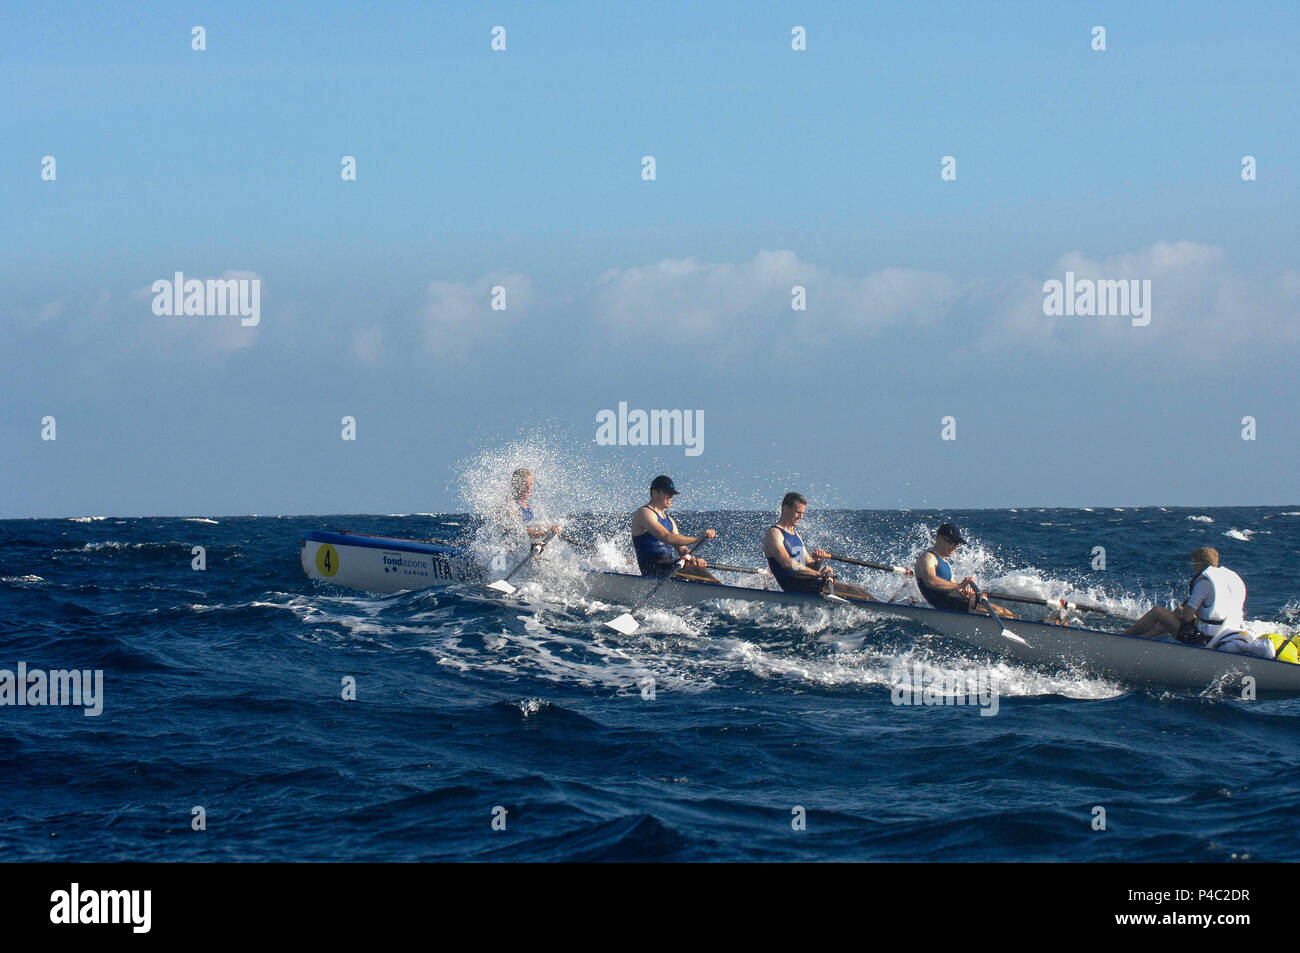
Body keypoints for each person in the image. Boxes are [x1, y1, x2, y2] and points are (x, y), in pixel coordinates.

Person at [763, 493, 876, 600]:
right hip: (794, 586)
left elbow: (810, 566)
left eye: (803, 513)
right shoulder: (774, 533)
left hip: (807, 582)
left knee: (860, 590)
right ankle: (885, 610)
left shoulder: (796, 535)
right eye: (798, 512)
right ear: (785, 508)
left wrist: (818, 561)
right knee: (855, 591)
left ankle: (884, 606)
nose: (801, 517)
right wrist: (819, 574)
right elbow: (787, 563)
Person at [1125, 547, 1246, 645]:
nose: (1193, 566)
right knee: (1177, 612)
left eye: (1193, 563)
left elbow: (1187, 617)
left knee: (1158, 612)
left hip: (1202, 639)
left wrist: (1184, 613)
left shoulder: (1204, 583)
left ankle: (1125, 637)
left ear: (1199, 565)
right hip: (1224, 634)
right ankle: (1145, 638)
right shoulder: (1226, 580)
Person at [913, 523, 1015, 617]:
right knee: (1005, 614)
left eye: (957, 544)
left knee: (1006, 612)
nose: (955, 547)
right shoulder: (928, 558)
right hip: (946, 603)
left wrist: (968, 592)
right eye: (951, 543)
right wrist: (960, 585)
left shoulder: (944, 562)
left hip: (954, 600)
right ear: (939, 539)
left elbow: (953, 586)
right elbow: (930, 581)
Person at [630, 475, 718, 580]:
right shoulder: (644, 513)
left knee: (696, 568)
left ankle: (722, 591)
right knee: (696, 571)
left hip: (669, 566)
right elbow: (667, 537)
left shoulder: (670, 520)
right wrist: (699, 539)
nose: (671, 497)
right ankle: (725, 593)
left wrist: (694, 560)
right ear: (655, 493)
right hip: (652, 569)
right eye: (667, 494)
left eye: (672, 494)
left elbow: (682, 549)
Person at [507, 468, 562, 546]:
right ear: (515, 484)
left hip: (525, 548)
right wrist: (547, 533)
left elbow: (536, 528)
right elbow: (522, 532)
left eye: (530, 484)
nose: (529, 488)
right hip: (511, 552)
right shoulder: (510, 505)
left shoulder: (529, 507)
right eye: (524, 484)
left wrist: (553, 529)